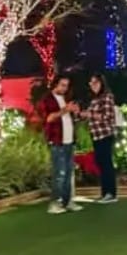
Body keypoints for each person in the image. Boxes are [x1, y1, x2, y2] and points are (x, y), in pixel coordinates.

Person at [38, 75, 82, 214]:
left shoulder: (66, 99)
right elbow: (49, 118)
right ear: (55, 84)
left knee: (69, 173)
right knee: (59, 173)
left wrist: (75, 112)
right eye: (62, 85)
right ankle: (54, 203)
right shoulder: (47, 100)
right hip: (57, 142)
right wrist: (65, 110)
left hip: (69, 141)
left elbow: (72, 117)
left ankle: (67, 201)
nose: (65, 88)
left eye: (66, 85)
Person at [85, 74, 118, 204]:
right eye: (91, 83)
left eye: (95, 82)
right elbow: (90, 116)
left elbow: (108, 116)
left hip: (105, 135)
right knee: (101, 164)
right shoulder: (94, 100)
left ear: (101, 83)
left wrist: (90, 114)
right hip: (96, 135)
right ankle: (105, 193)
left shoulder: (107, 97)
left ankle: (111, 193)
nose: (93, 85)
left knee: (106, 164)